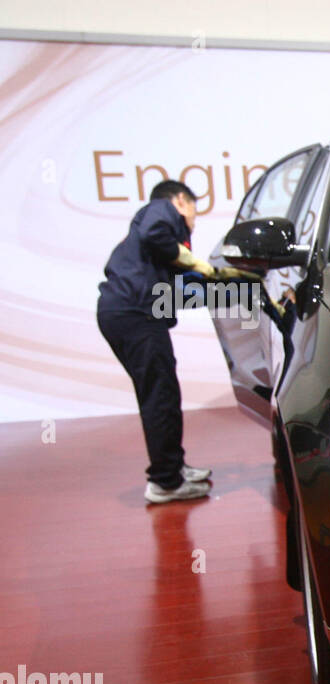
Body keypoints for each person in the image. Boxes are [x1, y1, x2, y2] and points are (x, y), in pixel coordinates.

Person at [97, 180, 244, 504]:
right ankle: (165, 482)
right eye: (193, 210)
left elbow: (184, 288)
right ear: (180, 200)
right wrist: (193, 262)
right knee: (159, 396)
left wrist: (239, 287)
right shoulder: (160, 211)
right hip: (134, 314)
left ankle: (173, 467)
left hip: (133, 313)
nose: (192, 220)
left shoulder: (154, 251)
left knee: (164, 392)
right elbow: (157, 235)